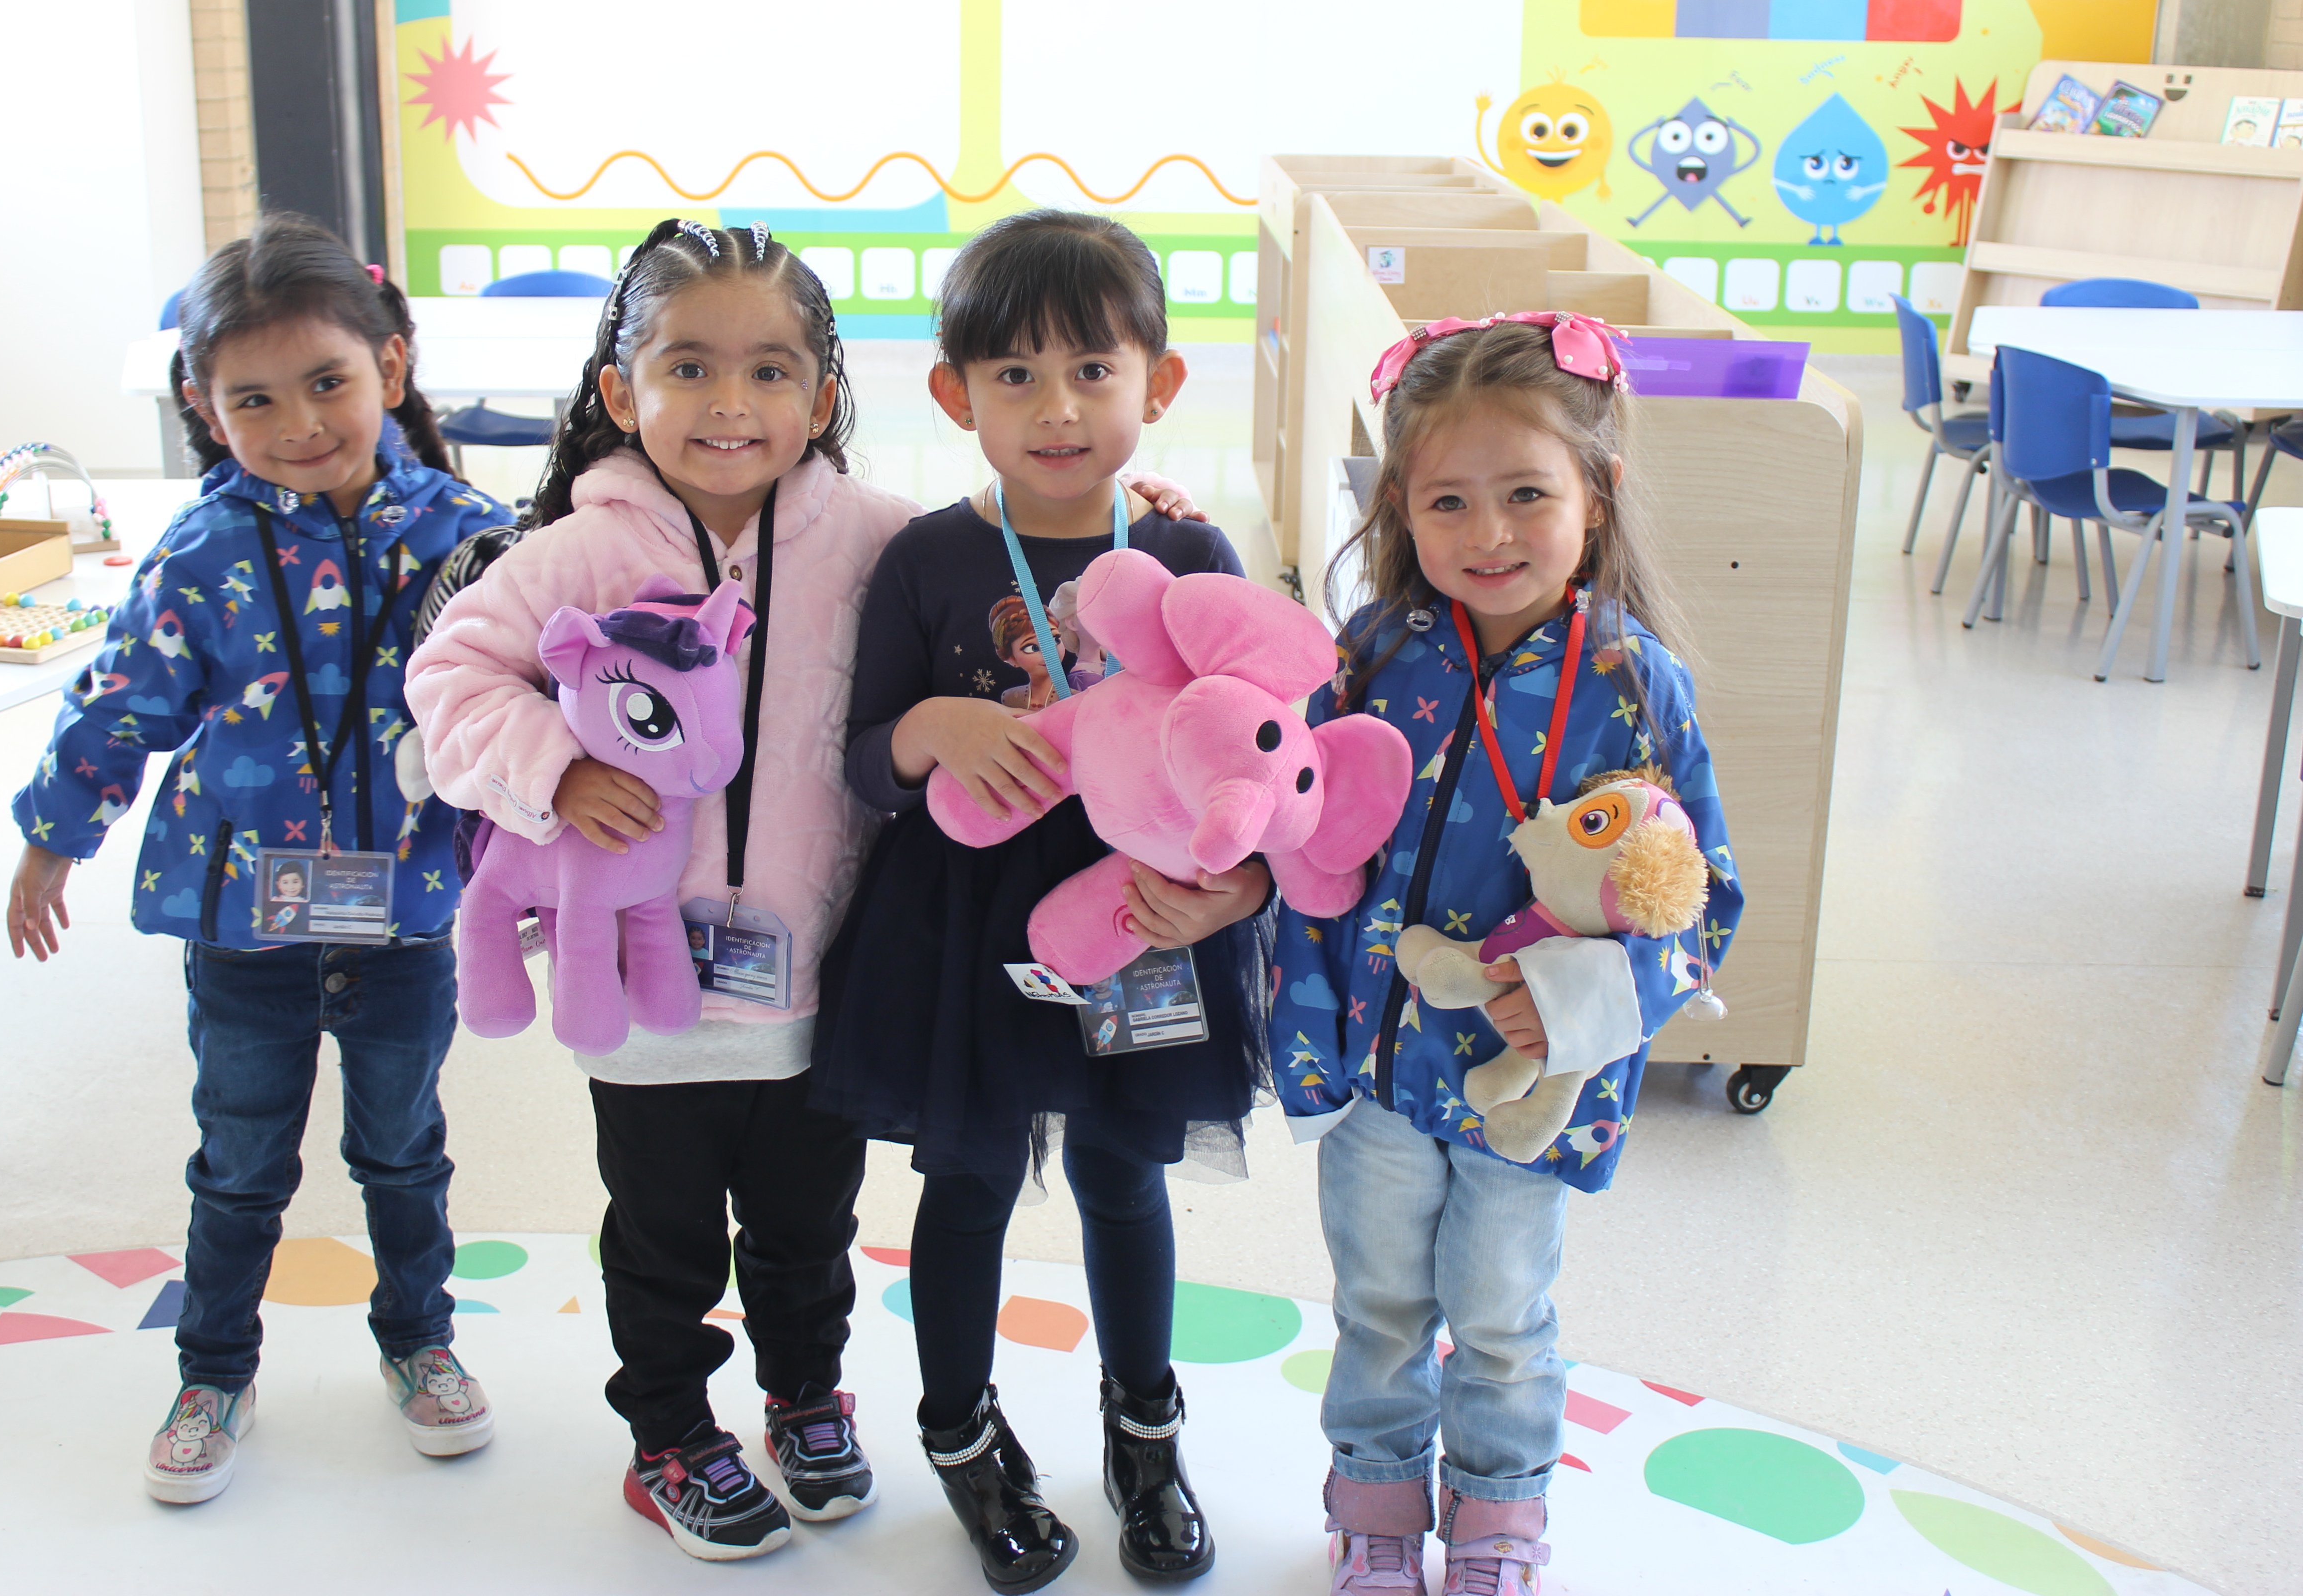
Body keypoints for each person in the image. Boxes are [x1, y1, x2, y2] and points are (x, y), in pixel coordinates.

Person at [405, 217, 1204, 1565]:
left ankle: (803, 1401)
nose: (732, 403)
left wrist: (1139, 513)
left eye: (770, 371)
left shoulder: (879, 540)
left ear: (823, 398)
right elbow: (450, 678)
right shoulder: (577, 553)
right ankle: (670, 1433)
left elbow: (1010, 539)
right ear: (621, 393)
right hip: (641, 984)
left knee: (806, 1229)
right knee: (662, 1237)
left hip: (821, 977)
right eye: (690, 368)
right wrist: (553, 768)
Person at [3, 213, 514, 1505]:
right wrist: (53, 835)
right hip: (243, 926)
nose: (299, 424)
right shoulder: (202, 551)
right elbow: (123, 701)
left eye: (327, 382)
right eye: (255, 400)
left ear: (389, 365)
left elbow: (528, 699)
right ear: (204, 404)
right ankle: (213, 1371)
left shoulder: (471, 537)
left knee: (404, 1154)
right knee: (238, 1168)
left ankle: (420, 1343)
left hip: (405, 917)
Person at [812, 209, 1270, 1592]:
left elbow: (1267, 764)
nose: (1057, 408)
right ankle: (962, 1438)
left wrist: (1235, 889)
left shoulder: (1193, 559)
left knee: (1123, 1175)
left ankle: (1146, 1437)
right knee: (967, 1182)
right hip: (968, 925)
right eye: (1014, 375)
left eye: (1092, 370)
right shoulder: (925, 560)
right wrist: (930, 729)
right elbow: (863, 759)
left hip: (1146, 915)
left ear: (1159, 384)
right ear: (956, 396)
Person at [1267, 314, 1743, 1595]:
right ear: (1399, 510)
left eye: (1527, 494)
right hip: (1377, 1079)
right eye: (1449, 502)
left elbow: (1703, 906)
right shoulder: (1367, 661)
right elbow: (1307, 854)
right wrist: (1305, 1041)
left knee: (1499, 1319)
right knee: (1377, 1308)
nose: (1489, 533)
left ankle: (1497, 1522)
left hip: (1534, 1095)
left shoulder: (1638, 685)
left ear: (1599, 491)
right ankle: (1374, 1510)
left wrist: (1581, 1005)